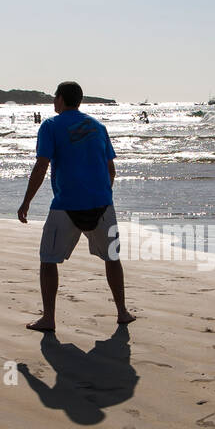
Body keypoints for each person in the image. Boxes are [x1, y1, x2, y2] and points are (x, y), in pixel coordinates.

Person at [17, 80, 134, 332]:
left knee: (48, 260)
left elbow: (41, 165)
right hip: (102, 204)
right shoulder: (99, 126)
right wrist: (101, 193)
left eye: (55, 97)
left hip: (66, 205)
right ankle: (122, 312)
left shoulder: (50, 125)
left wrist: (26, 201)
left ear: (60, 99)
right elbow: (110, 169)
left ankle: (49, 318)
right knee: (112, 258)